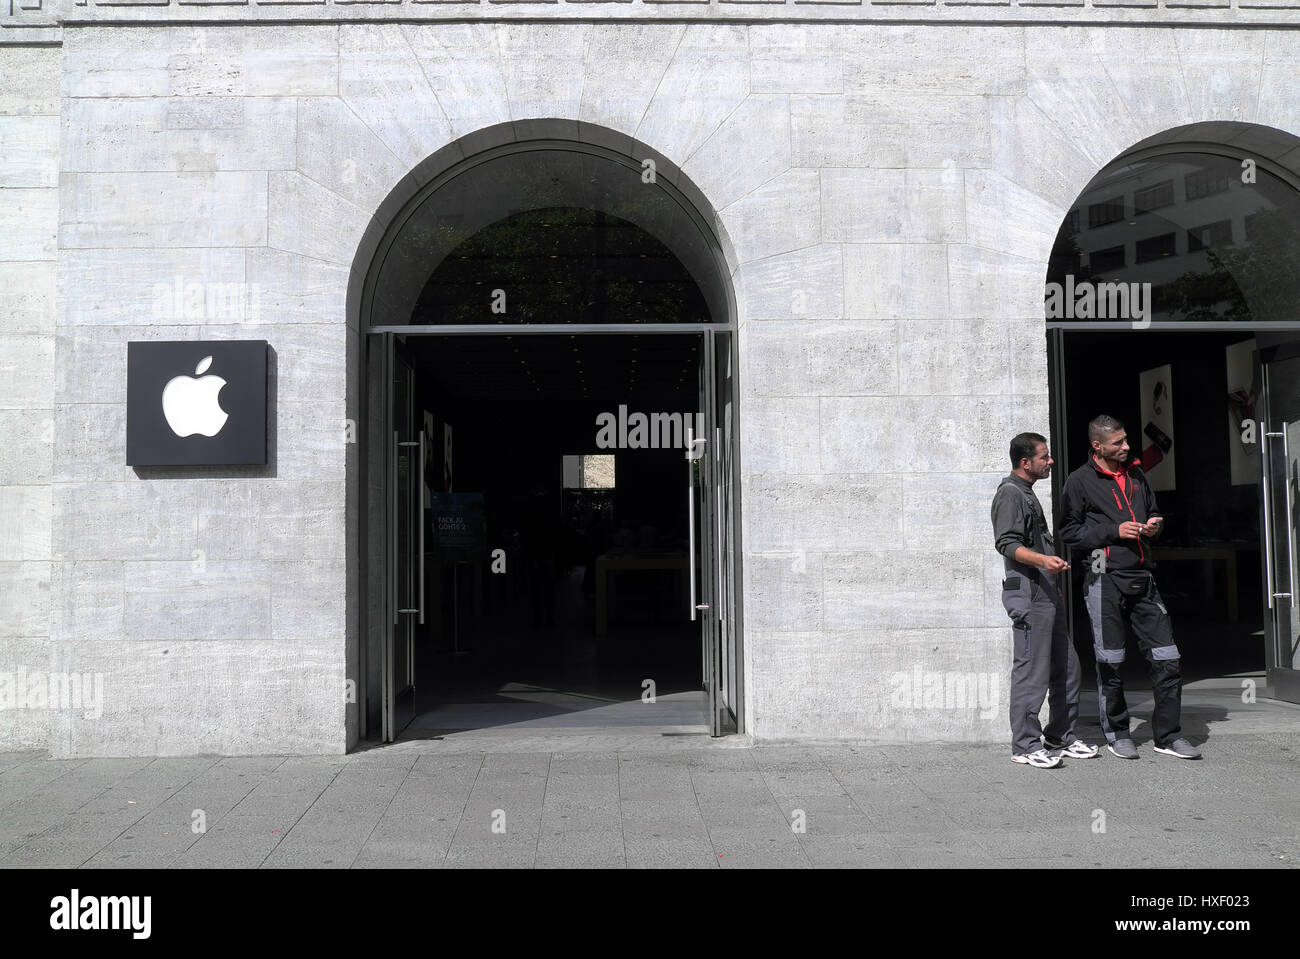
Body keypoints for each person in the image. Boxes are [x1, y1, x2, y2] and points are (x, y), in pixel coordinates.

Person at [1059, 414, 1201, 760]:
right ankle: (1118, 732)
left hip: (1143, 575)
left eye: (1125, 440)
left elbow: (1153, 511)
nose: (1126, 446)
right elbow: (1068, 533)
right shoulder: (1078, 481)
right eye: (1118, 442)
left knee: (1167, 657)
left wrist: (1155, 525)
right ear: (1098, 446)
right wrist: (1113, 531)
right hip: (1102, 576)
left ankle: (1168, 736)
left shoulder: (1136, 474)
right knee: (1111, 660)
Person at [991, 432, 1097, 768]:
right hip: (1028, 593)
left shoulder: (1027, 493)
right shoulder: (1010, 494)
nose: (1050, 461)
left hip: (1047, 591)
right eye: (1045, 457)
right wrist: (1043, 561)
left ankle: (1060, 736)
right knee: (1031, 671)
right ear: (1026, 462)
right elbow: (1006, 544)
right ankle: (1024, 745)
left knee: (1067, 668)